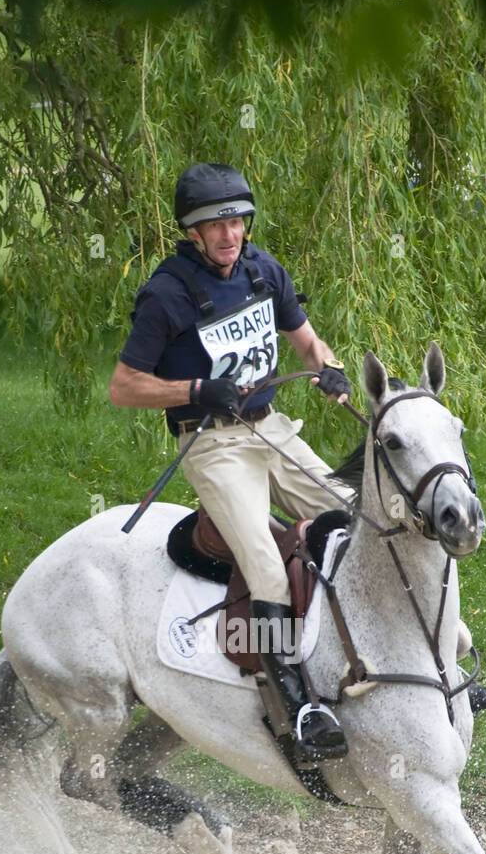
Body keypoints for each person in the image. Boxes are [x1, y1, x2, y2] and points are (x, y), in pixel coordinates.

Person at [109, 162, 356, 762]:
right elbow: (124, 386)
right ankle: (297, 707)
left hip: (269, 428)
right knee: (268, 568)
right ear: (192, 234)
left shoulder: (263, 270)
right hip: (215, 446)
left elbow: (304, 336)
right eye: (214, 226)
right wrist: (193, 391)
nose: (228, 234)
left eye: (236, 221)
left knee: (359, 519)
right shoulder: (166, 293)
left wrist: (328, 366)